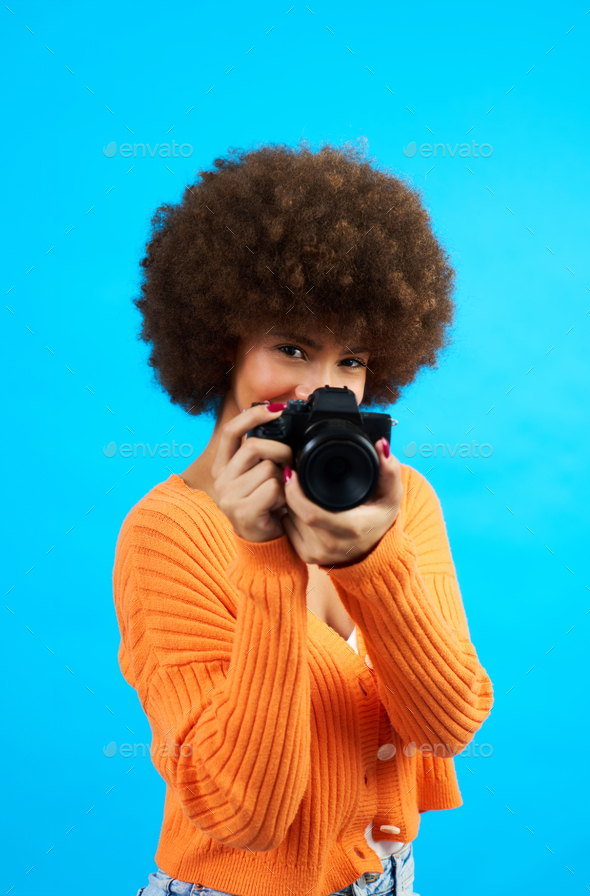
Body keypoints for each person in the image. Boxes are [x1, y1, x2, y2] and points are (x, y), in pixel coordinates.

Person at [112, 140, 494, 896]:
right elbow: (242, 815)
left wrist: (373, 563)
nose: (324, 389)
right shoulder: (167, 534)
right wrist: (264, 562)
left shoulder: (401, 500)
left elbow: (445, 728)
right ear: (223, 345)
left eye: (351, 361)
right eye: (292, 348)